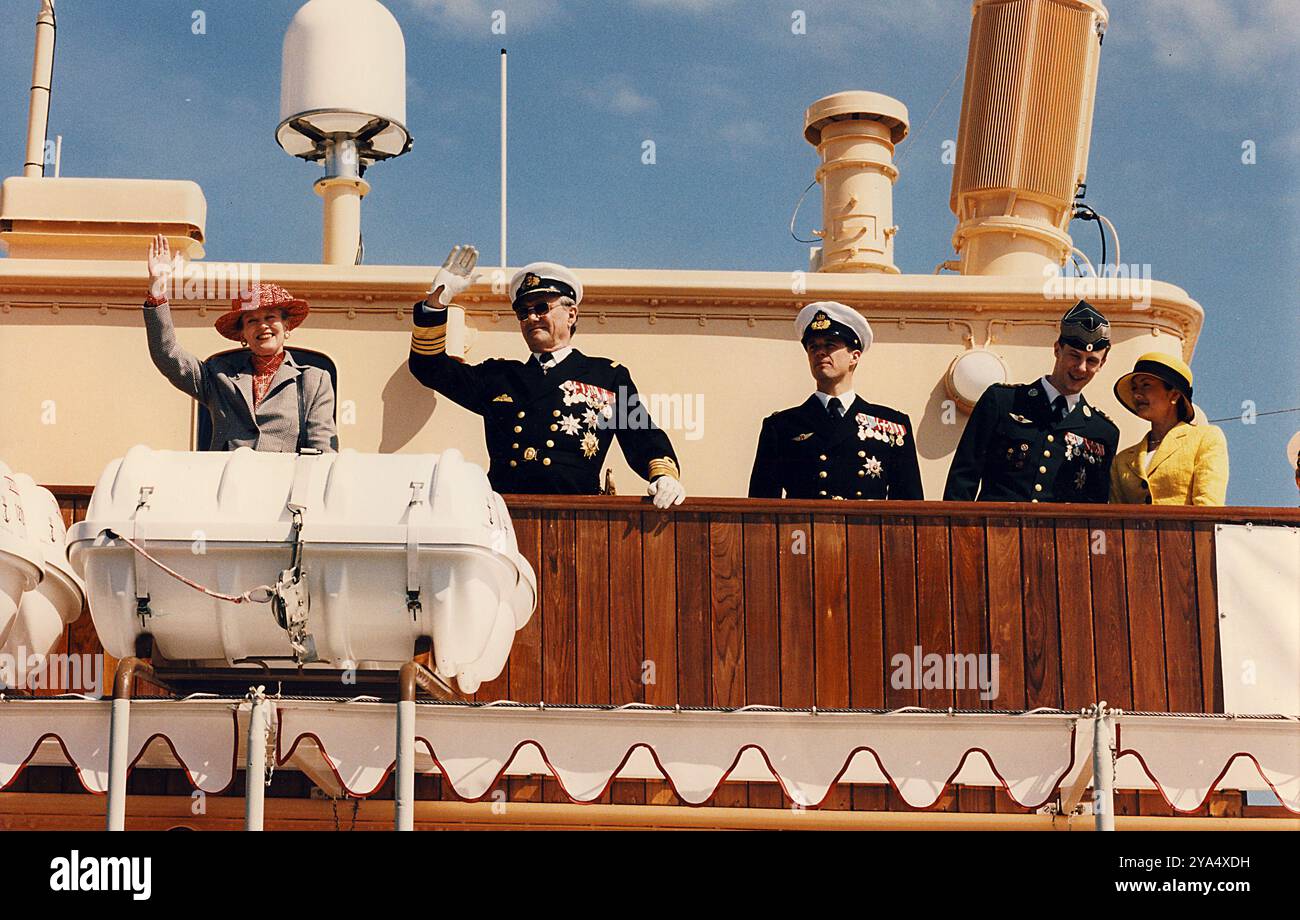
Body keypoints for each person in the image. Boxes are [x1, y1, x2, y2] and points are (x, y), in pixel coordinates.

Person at [407, 246, 685, 507]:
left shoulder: (606, 376)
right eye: (522, 312)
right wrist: (436, 301)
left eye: (541, 307)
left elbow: (642, 434)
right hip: (504, 516)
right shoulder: (500, 376)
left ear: (571, 314)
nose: (531, 318)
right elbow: (429, 367)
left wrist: (663, 476)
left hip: (579, 518)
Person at [141, 234, 338, 453]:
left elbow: (323, 449)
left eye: (270, 317)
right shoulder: (218, 376)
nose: (262, 326)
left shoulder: (314, 379)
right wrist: (157, 289)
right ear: (243, 334)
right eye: (252, 320)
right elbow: (166, 353)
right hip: (226, 483)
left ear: (286, 327)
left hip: (285, 485)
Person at [943, 300, 1118, 503]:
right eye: (1074, 356)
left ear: (1102, 364)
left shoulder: (1102, 432)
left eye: (1092, 361)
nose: (1081, 368)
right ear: (1057, 349)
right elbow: (963, 479)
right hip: (996, 531)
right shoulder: (1002, 402)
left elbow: (1096, 507)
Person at [748, 301, 923, 500]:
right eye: (813, 347)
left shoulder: (892, 425)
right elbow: (761, 508)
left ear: (854, 356)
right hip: (803, 530)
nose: (820, 352)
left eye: (830, 345)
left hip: (868, 530)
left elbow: (910, 508)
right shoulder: (781, 427)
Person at [1109, 353, 1228, 505]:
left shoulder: (1205, 438)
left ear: (1174, 395)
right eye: (1134, 388)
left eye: (1146, 385)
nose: (1137, 395)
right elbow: (1115, 519)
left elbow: (1208, 509)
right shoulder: (1122, 460)